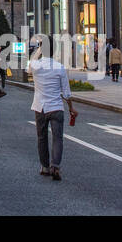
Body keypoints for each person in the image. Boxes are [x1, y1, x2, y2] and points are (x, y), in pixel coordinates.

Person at [29, 36, 75, 180]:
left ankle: (44, 166)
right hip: (56, 107)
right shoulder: (59, 68)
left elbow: (27, 69)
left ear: (42, 49)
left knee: (42, 138)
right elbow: (66, 93)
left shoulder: (35, 66)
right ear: (54, 50)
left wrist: (39, 51)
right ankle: (55, 166)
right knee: (57, 138)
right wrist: (71, 109)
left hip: (40, 108)